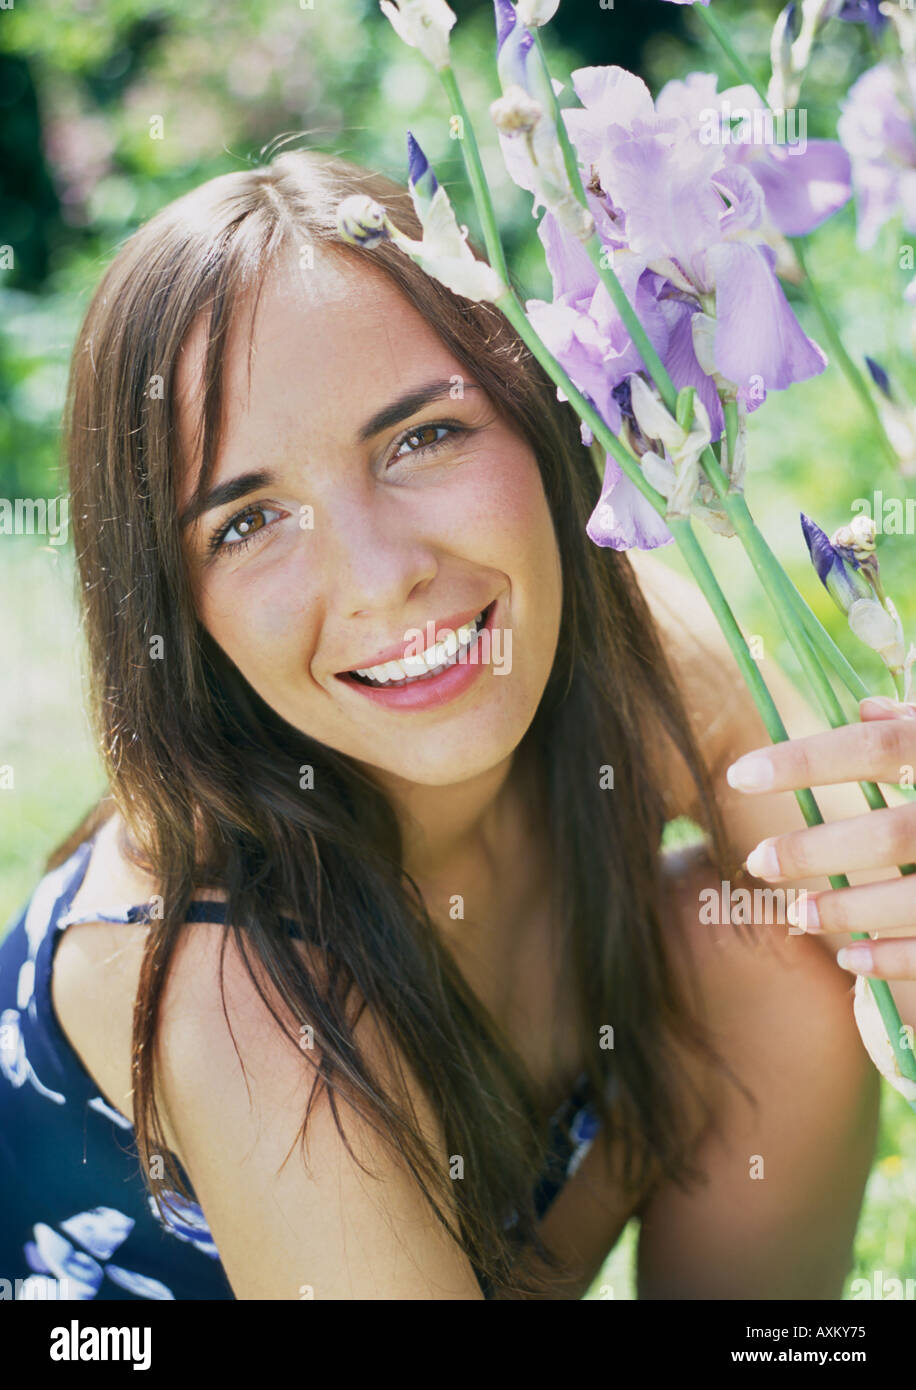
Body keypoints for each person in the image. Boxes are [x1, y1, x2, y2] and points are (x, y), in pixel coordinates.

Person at [0, 147, 910, 1301]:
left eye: (423, 437)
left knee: (770, 948)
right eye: (247, 521)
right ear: (168, 604)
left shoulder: (617, 656)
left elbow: (872, 905)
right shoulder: (233, 988)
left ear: (541, 420)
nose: (381, 579)